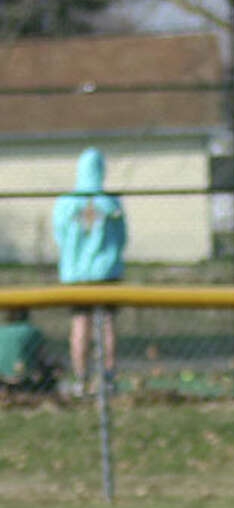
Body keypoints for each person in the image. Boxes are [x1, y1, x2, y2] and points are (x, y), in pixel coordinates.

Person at [52, 146, 127, 397]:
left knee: (80, 324)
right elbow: (122, 237)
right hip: (106, 273)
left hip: (76, 276)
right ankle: (107, 378)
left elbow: (59, 236)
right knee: (106, 325)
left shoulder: (65, 203)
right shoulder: (111, 202)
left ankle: (81, 379)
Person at [0, 308, 58, 393]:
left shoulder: (2, 330)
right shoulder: (33, 331)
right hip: (26, 379)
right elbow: (43, 356)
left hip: (3, 379)